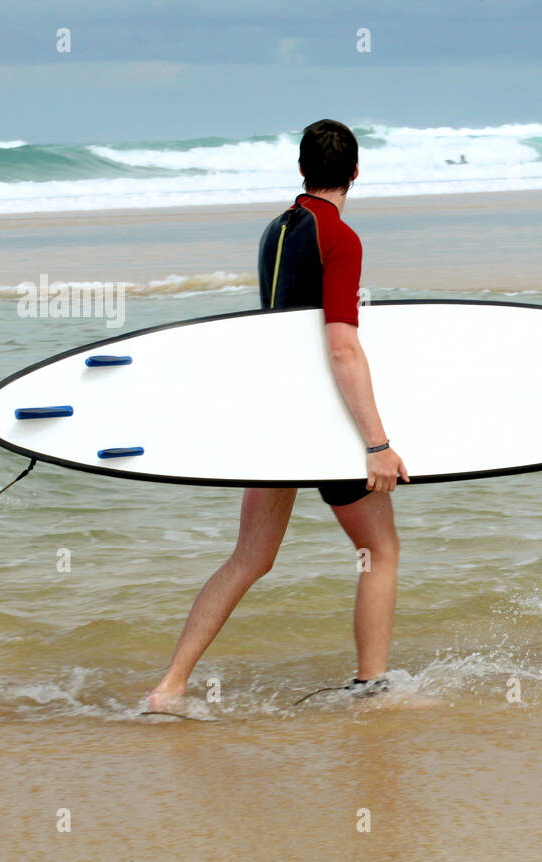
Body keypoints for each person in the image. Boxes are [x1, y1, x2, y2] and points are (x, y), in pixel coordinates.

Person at [146, 119, 408, 711]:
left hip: (271, 417)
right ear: (357, 172)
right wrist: (375, 444)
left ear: (301, 170)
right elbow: (340, 344)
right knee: (381, 550)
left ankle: (170, 686)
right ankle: (372, 687)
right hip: (320, 422)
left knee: (250, 558)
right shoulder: (340, 236)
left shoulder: (276, 229)